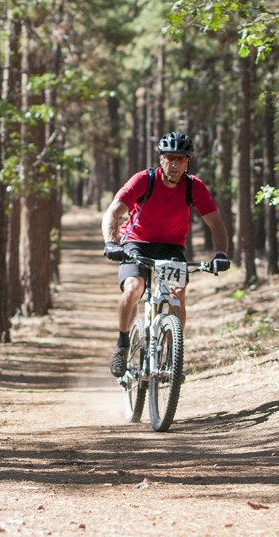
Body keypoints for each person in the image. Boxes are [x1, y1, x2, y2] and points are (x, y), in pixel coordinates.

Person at [102, 130, 230, 378]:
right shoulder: (143, 180)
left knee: (178, 293)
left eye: (180, 159)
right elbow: (112, 212)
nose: (174, 164)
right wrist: (111, 243)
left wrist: (220, 253)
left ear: (187, 162)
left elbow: (216, 224)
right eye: (169, 158)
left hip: (171, 246)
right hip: (136, 241)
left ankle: (173, 355)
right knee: (133, 287)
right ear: (161, 159)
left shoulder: (194, 187)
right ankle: (122, 344)